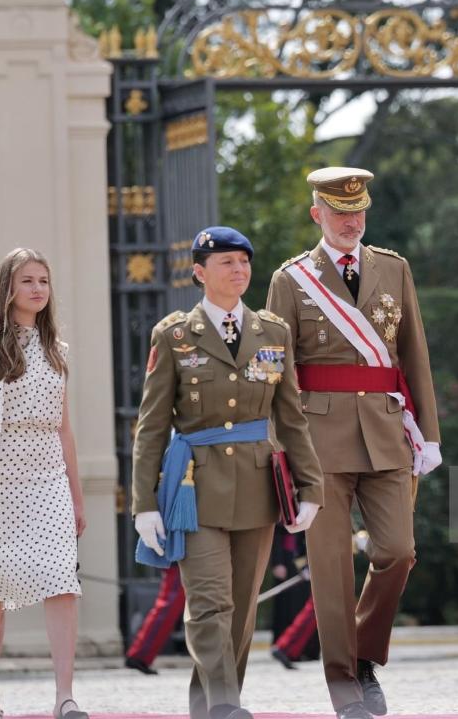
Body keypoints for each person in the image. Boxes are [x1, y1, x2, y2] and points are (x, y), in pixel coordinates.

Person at [266, 167, 442, 719]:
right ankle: (344, 684)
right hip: (318, 441)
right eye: (340, 213)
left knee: (397, 552)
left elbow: (414, 353)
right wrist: (283, 452)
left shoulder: (394, 269)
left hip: (387, 432)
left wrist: (429, 432)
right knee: (331, 569)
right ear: (317, 212)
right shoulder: (291, 280)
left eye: (359, 211)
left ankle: (364, 654)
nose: (351, 221)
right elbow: (279, 373)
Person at [132, 226, 324, 719]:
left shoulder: (273, 333)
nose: (239, 271)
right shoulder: (174, 336)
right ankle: (225, 704)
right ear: (199, 273)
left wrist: (311, 487)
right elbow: (151, 427)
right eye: (226, 263)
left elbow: (291, 418)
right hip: (194, 490)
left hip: (258, 487)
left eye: (244, 262)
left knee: (240, 610)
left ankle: (212, 705)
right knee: (209, 603)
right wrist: (145, 504)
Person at [0, 248, 88, 719]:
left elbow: (65, 428)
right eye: (28, 280)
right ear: (8, 287)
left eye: (44, 281)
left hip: (47, 477)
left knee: (61, 580)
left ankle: (64, 696)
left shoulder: (57, 352)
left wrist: (77, 495)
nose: (37, 289)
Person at [268, 525, 318, 669]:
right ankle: (286, 647)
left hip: (305, 559)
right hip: (292, 559)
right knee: (315, 607)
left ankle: (290, 647)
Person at [123, 563, 186, 675]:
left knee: (168, 608)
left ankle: (139, 655)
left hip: (179, 559)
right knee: (168, 608)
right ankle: (139, 655)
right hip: (179, 560)